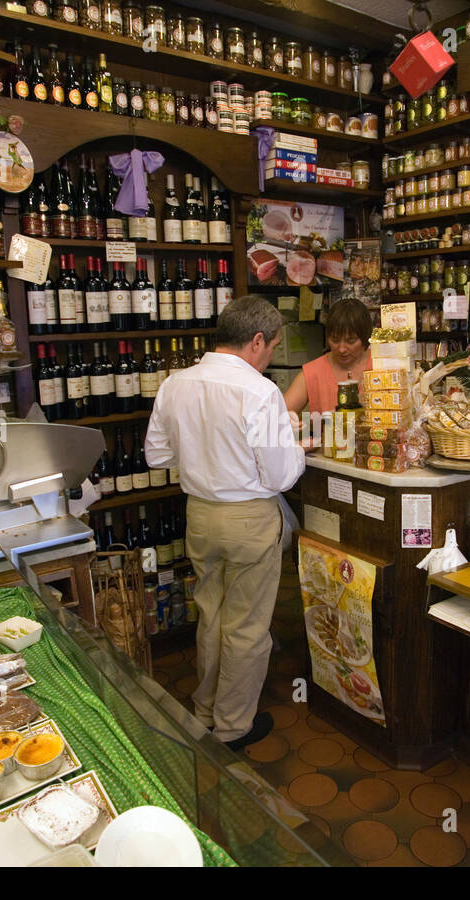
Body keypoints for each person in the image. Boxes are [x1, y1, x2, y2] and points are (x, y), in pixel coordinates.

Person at [146, 296, 305, 749]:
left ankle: (205, 710)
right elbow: (279, 475)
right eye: (273, 346)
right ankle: (234, 726)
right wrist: (296, 450)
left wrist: (205, 453)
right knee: (247, 626)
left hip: (200, 515)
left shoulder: (175, 384)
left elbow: (156, 454)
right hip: (249, 519)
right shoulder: (260, 391)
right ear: (257, 341)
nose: (271, 354)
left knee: (211, 615)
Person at [283, 297, 373, 415]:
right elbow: (277, 417)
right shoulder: (313, 372)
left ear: (365, 337)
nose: (341, 349)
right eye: (335, 340)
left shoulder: (382, 365)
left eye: (350, 341)